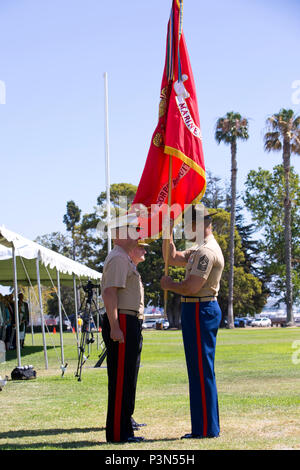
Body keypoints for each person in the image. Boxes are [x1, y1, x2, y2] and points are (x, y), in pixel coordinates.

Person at [161, 206, 224, 439]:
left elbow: (191, 287)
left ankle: (205, 429)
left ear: (198, 225)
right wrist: (166, 233)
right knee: (199, 370)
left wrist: (170, 285)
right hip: (196, 308)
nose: (185, 229)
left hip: (200, 307)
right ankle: (207, 426)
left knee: (201, 371)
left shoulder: (206, 251)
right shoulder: (199, 249)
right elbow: (172, 257)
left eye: (187, 225)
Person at [101, 216, 145, 443]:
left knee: (127, 378)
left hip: (130, 321)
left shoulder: (124, 258)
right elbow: (110, 293)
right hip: (123, 321)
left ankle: (125, 428)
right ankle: (118, 434)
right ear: (120, 233)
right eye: (134, 229)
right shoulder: (118, 258)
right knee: (120, 380)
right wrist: (115, 326)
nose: (138, 234)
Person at [128, 241, 148, 432]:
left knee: (133, 372)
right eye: (141, 247)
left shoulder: (133, 269)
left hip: (136, 322)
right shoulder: (123, 265)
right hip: (127, 323)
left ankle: (128, 415)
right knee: (126, 373)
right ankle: (125, 416)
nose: (145, 251)